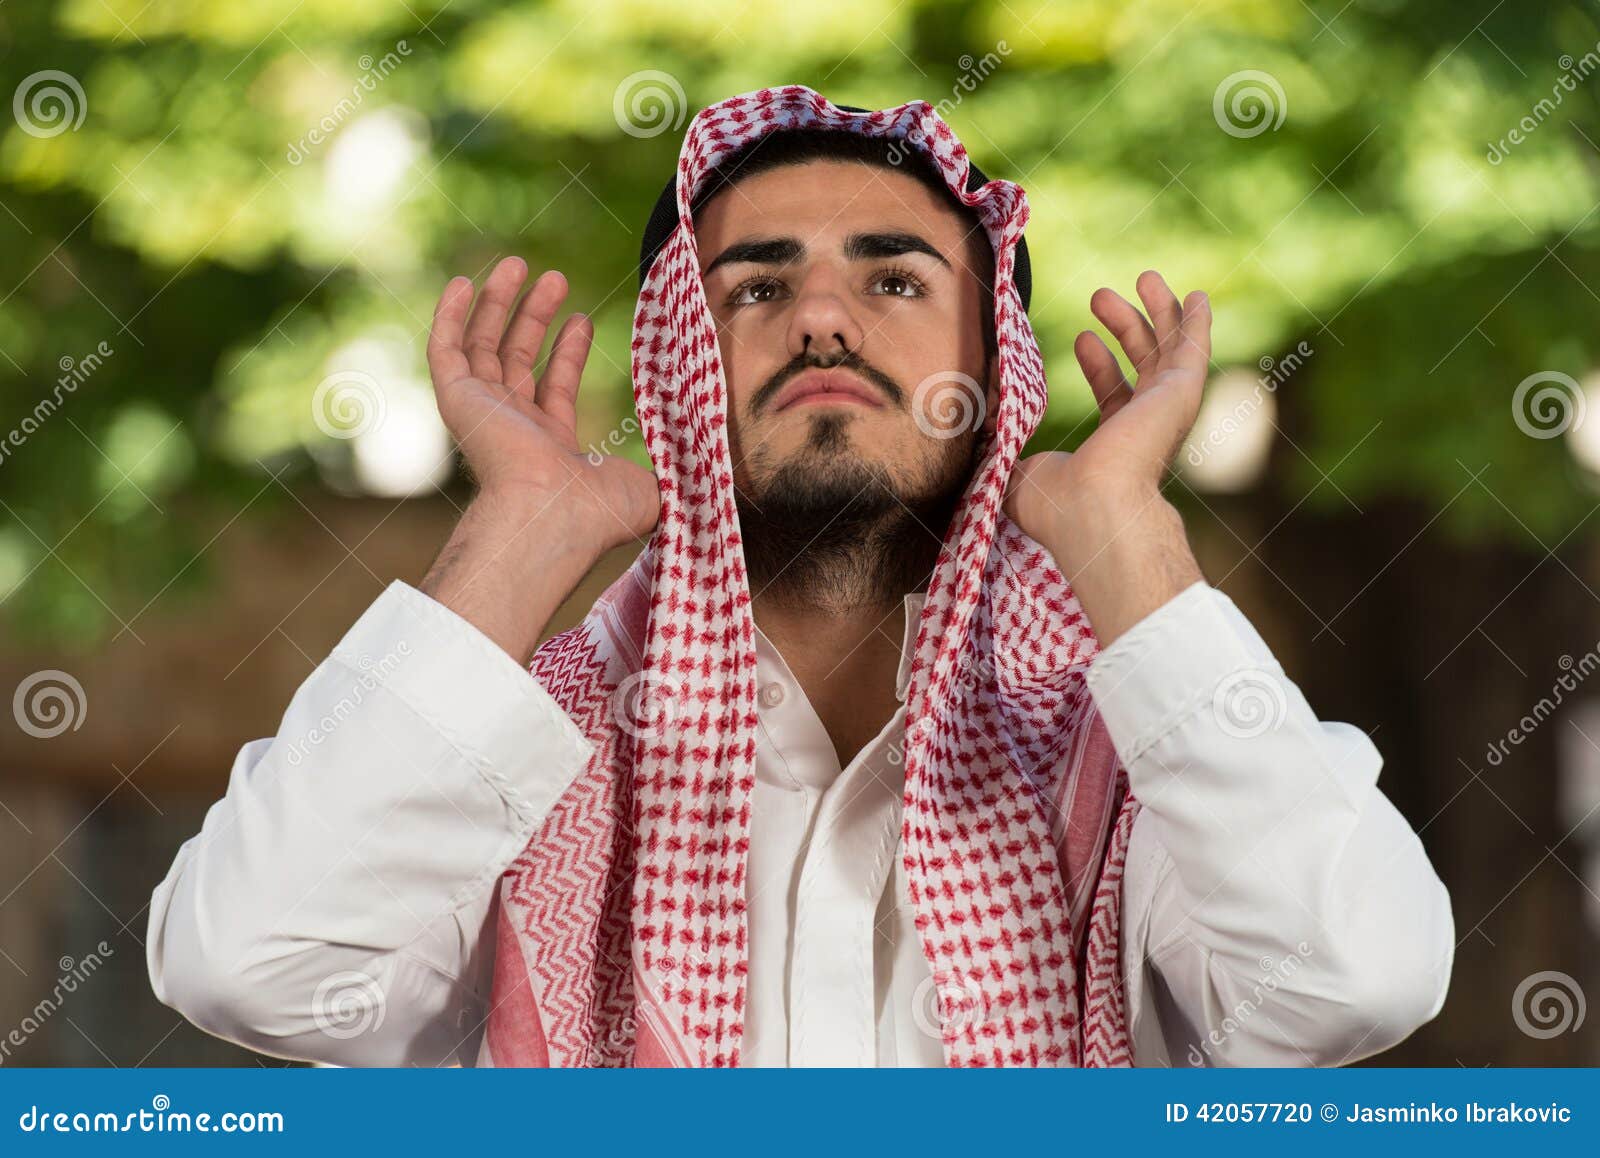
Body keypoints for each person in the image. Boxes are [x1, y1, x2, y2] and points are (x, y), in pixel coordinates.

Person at [147, 86, 1453, 1068]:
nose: (822, 319)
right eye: (756, 285)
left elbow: (1356, 980)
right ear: (677, 366)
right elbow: (249, 963)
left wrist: (1126, 535)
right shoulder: (516, 760)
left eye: (893, 276)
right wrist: (521, 534)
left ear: (996, 366)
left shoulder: (1132, 761)